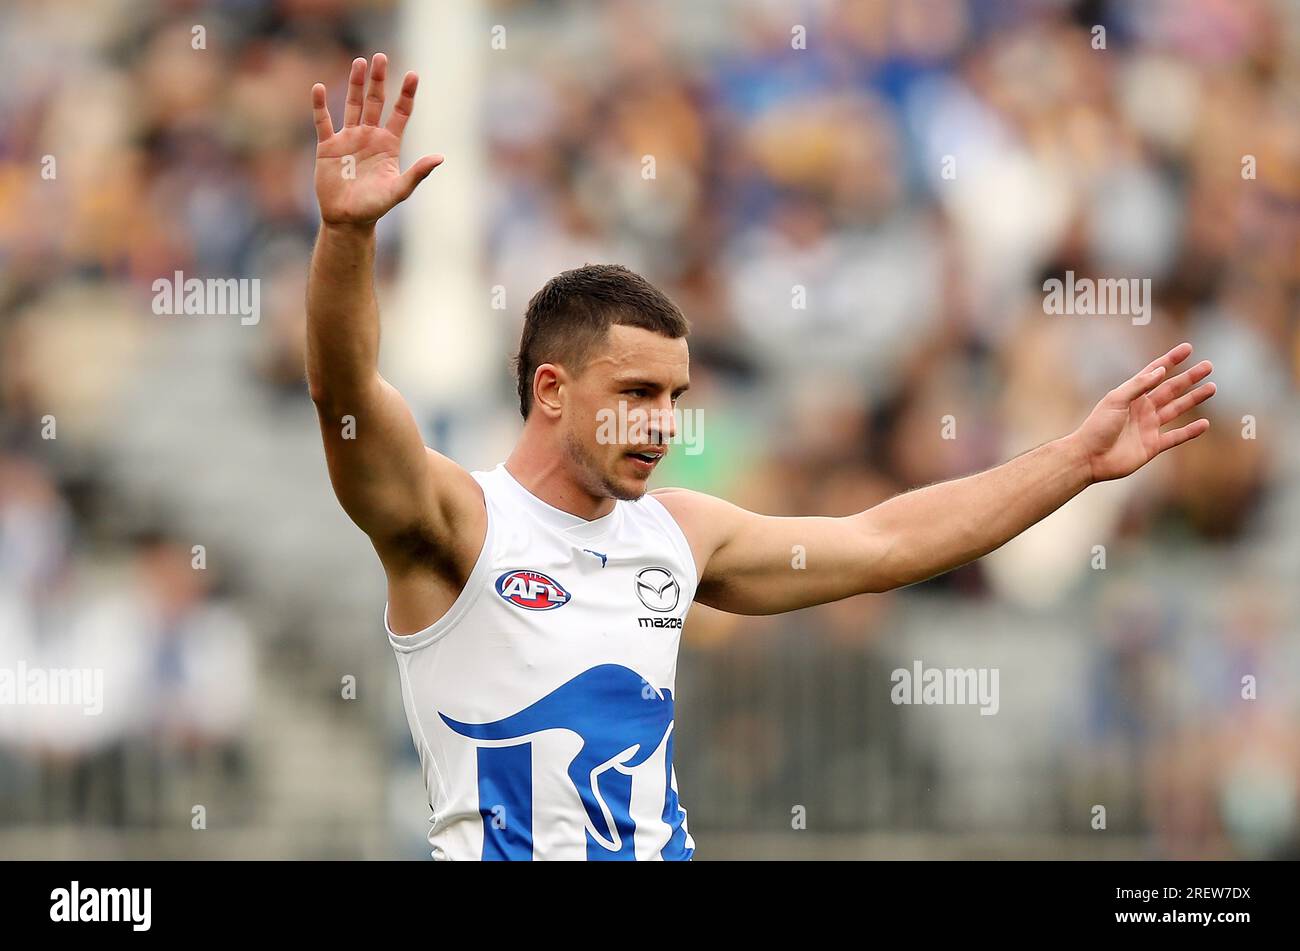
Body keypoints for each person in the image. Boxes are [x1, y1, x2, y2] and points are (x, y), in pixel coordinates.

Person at [305, 54, 1217, 861]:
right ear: (551, 390)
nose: (663, 425)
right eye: (635, 394)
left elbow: (887, 544)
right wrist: (347, 239)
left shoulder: (678, 535)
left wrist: (1076, 460)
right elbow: (347, 399)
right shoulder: (459, 523)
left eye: (674, 398)